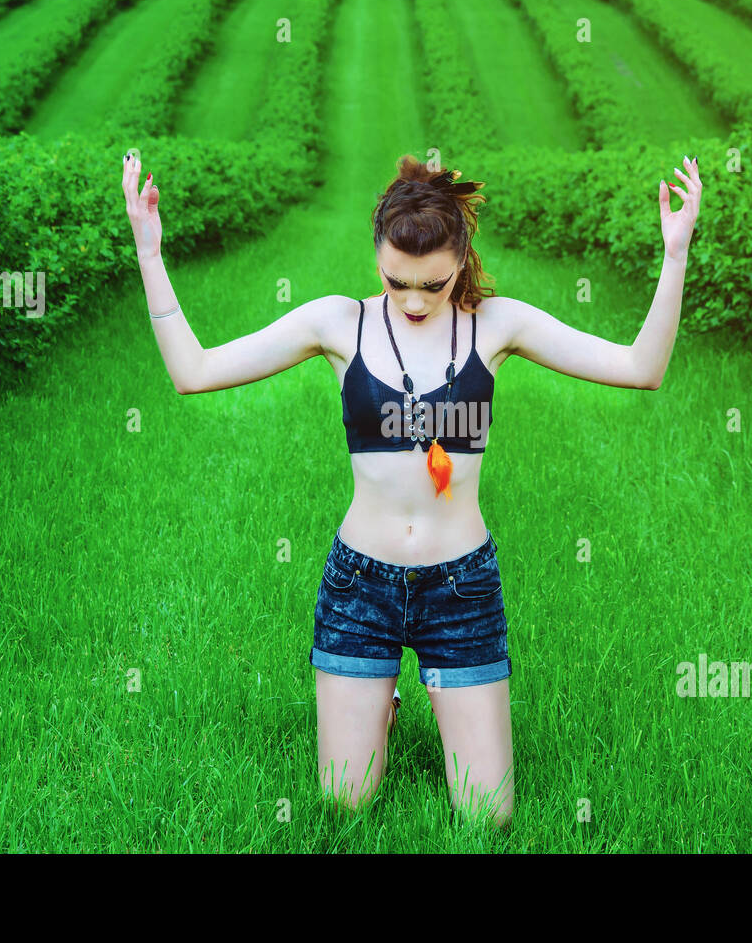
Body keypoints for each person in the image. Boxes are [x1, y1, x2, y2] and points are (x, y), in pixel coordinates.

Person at [121, 151, 703, 828]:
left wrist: (676, 254)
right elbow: (195, 372)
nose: (417, 301)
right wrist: (149, 252)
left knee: (488, 818)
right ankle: (380, 706)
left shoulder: (497, 324)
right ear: (377, 256)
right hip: (360, 586)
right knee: (345, 803)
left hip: (461, 588)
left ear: (461, 258)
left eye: (435, 283)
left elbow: (640, 368)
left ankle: (406, 695)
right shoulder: (338, 324)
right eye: (398, 283)